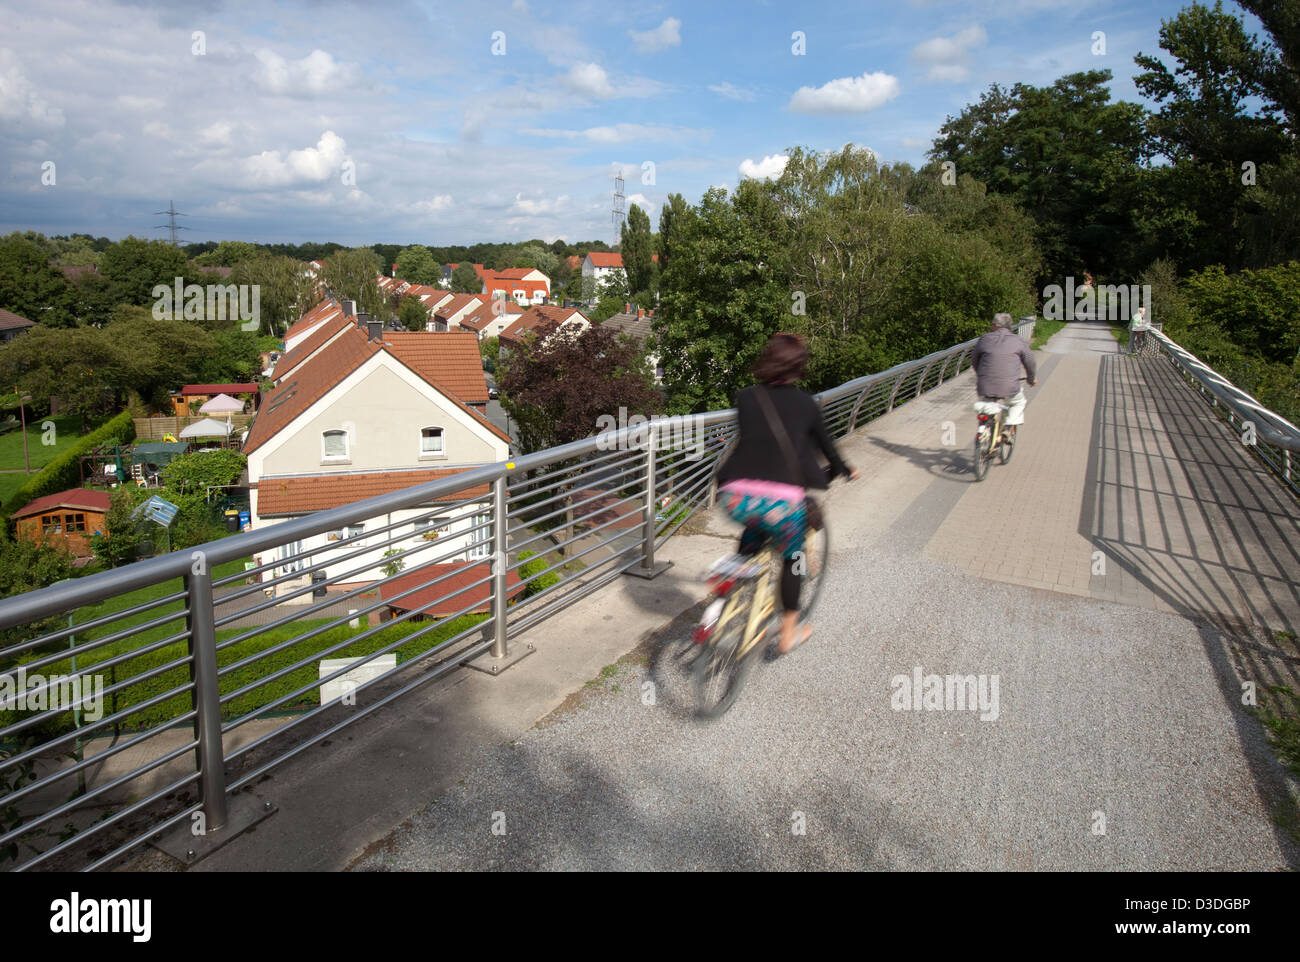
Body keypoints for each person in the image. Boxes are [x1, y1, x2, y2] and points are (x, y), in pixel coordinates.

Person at [715, 333, 859, 658]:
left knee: (755, 526)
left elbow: (754, 443)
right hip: (781, 503)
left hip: (734, 496)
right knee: (793, 559)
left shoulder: (746, 397)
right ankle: (788, 632)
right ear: (799, 366)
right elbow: (828, 450)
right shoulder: (807, 404)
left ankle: (733, 580)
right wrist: (845, 469)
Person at [970, 313, 1037, 441]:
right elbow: (1030, 362)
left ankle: (984, 431)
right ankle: (1008, 427)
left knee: (985, 406)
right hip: (1010, 387)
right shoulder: (1018, 341)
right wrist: (1031, 379)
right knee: (1018, 402)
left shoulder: (984, 339)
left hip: (985, 385)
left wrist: (982, 375)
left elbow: (974, 360)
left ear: (995, 325)